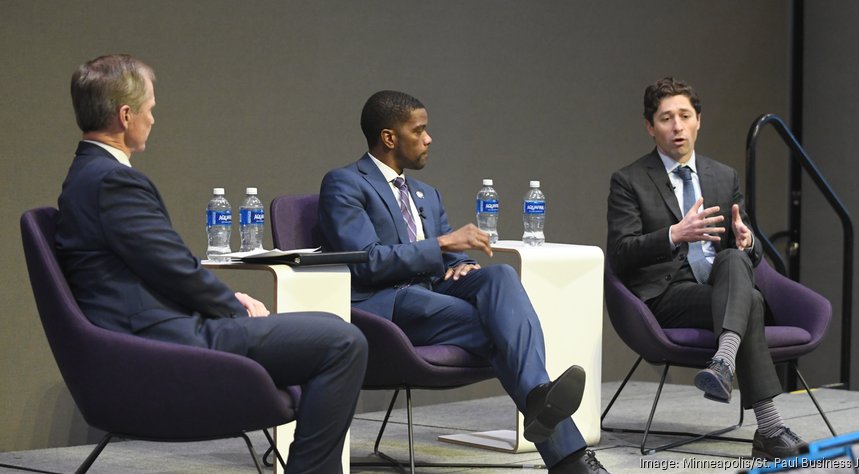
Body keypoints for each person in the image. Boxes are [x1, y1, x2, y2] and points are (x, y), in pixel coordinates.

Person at [56, 54, 367, 474]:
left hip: (150, 327)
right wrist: (237, 310)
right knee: (342, 341)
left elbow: (158, 265)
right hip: (159, 337)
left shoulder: (87, 175)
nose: (153, 118)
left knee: (330, 334)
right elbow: (174, 269)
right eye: (150, 109)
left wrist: (228, 300)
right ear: (126, 115)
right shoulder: (113, 180)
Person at [317, 90, 608, 473]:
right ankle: (566, 451)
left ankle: (540, 395)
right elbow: (367, 262)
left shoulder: (426, 193)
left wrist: (463, 263)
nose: (428, 139)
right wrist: (441, 243)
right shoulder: (345, 184)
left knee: (499, 275)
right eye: (419, 131)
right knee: (497, 332)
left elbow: (449, 254)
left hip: (432, 291)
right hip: (387, 304)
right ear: (389, 138)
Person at [606, 77, 807, 459]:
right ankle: (770, 427)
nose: (677, 126)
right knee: (750, 301)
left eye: (685, 115)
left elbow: (746, 246)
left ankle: (722, 361)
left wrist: (748, 243)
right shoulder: (629, 181)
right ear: (651, 127)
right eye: (666, 118)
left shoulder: (722, 176)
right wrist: (672, 234)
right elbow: (619, 252)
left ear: (699, 120)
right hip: (667, 294)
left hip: (719, 287)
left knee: (734, 260)